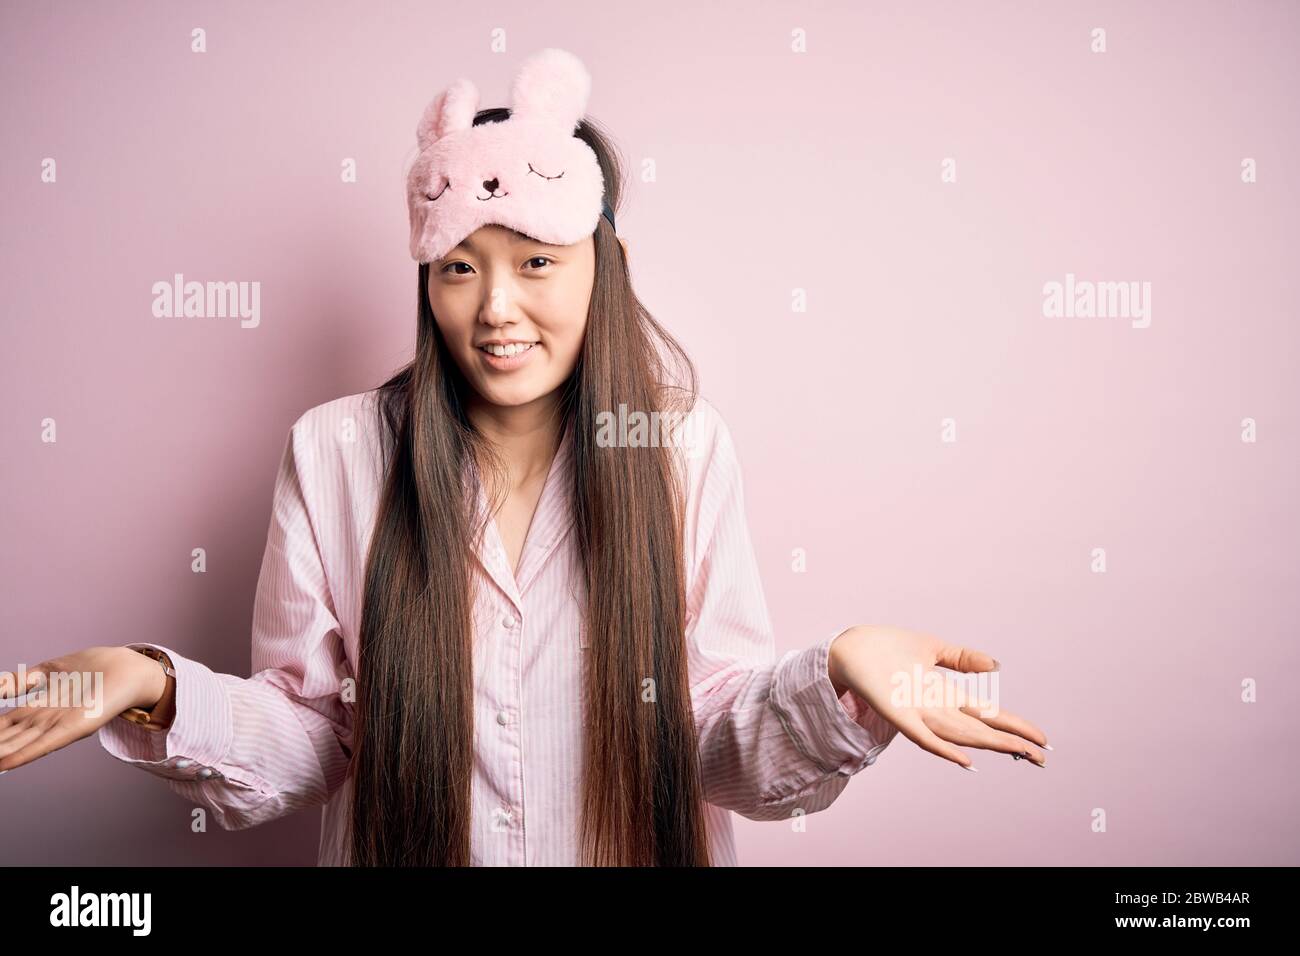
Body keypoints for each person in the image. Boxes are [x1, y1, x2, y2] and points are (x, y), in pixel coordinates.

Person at [0, 48, 1049, 866]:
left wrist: (838, 683)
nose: (496, 308)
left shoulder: (683, 449)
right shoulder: (336, 452)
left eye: (536, 262)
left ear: (601, 262)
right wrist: (151, 684)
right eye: (459, 267)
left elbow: (715, 737)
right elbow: (312, 742)